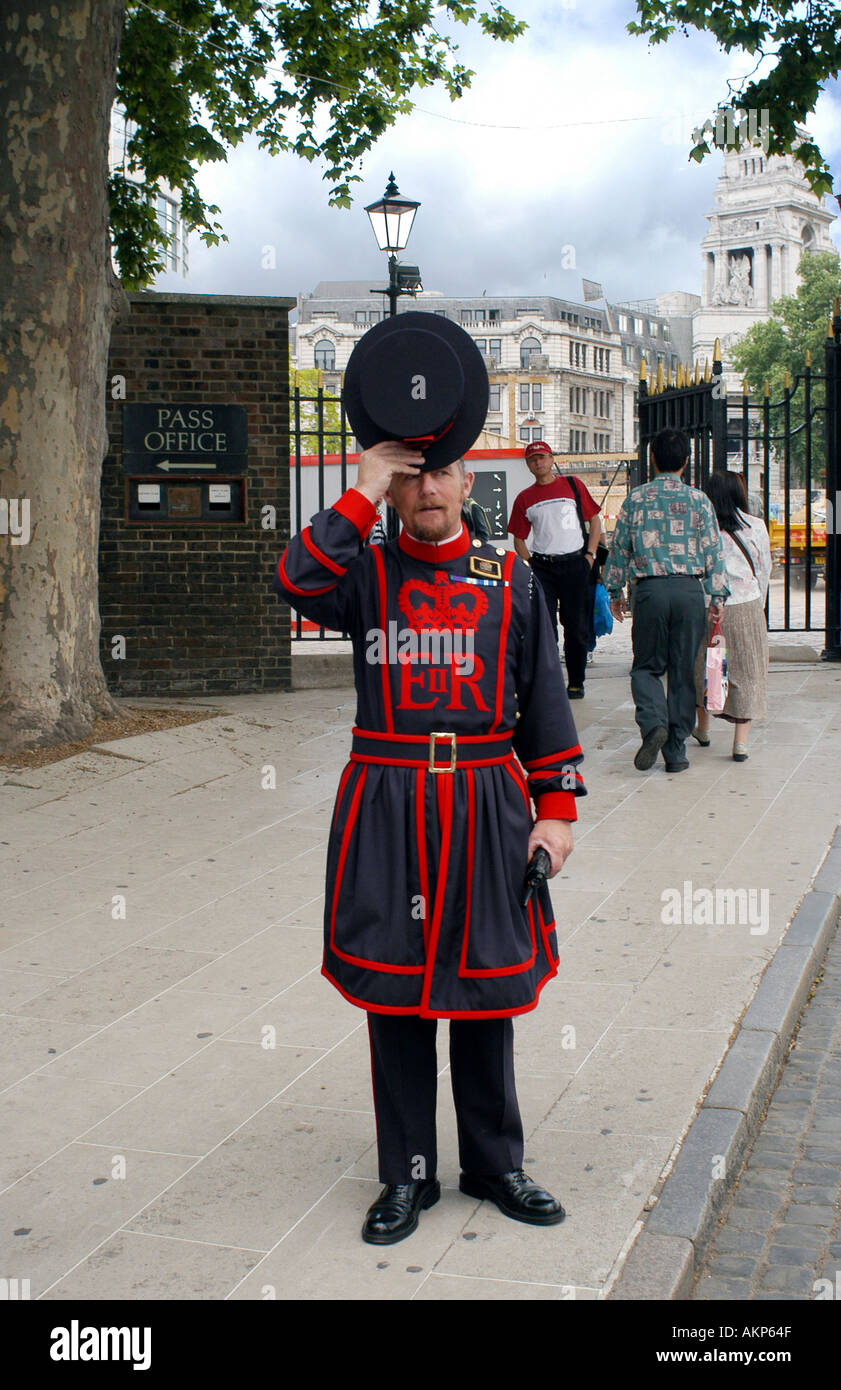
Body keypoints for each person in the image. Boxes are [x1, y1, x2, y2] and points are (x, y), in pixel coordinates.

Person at [274, 312, 586, 1246]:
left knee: (487, 994)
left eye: (442, 471)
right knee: (398, 996)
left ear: (465, 478)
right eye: (412, 477)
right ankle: (407, 1175)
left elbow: (543, 706)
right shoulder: (361, 571)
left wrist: (556, 812)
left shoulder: (513, 580)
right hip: (389, 802)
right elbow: (294, 579)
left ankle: (495, 1165)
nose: (430, 490)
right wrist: (361, 486)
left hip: (490, 802)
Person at [603, 428, 729, 773]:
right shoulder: (699, 500)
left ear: (652, 460)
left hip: (650, 592)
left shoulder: (636, 499)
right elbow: (714, 550)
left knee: (646, 667)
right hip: (689, 592)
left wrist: (613, 592)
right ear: (686, 462)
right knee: (683, 671)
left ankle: (653, 723)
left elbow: (619, 550)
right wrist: (717, 594)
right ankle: (675, 751)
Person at [507, 440, 603, 699]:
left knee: (576, 626)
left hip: (575, 564)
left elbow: (594, 519)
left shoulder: (572, 485)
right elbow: (518, 538)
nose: (538, 462)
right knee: (544, 626)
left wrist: (590, 556)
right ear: (528, 465)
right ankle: (548, 681)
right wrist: (530, 567)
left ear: (551, 459)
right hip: (543, 568)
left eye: (542, 457)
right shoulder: (524, 498)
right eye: (532, 459)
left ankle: (576, 681)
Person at [692, 471, 772, 761]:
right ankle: (740, 744)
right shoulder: (756, 526)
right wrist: (757, 602)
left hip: (707, 606)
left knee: (709, 668)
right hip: (746, 605)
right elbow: (764, 569)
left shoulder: (700, 527)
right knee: (747, 672)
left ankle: (703, 729)